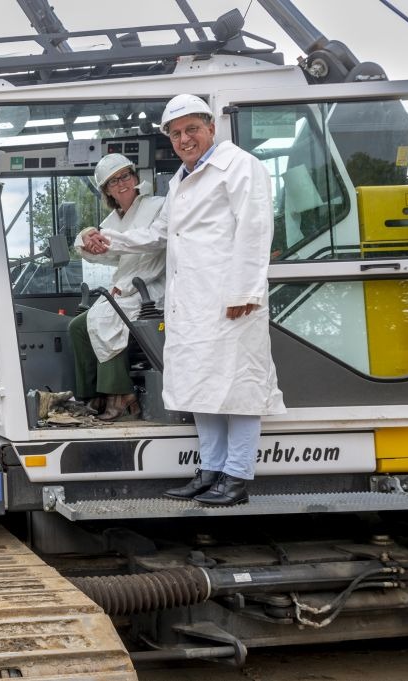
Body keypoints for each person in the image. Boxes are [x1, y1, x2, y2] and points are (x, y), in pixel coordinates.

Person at [81, 94, 285, 506]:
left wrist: (245, 291)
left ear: (211, 126)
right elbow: (160, 235)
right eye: (176, 133)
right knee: (201, 388)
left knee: (239, 389)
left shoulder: (240, 167)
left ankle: (237, 477)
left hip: (230, 299)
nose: (184, 138)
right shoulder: (181, 180)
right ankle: (210, 470)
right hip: (191, 303)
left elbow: (255, 229)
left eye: (192, 128)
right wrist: (111, 239)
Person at [68, 153, 166, 421]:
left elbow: (152, 242)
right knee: (77, 326)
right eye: (113, 181)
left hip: (151, 288)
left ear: (135, 177)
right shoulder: (113, 221)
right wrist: (86, 240)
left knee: (105, 319)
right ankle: (91, 395)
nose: (122, 183)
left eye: (125, 176)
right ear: (106, 190)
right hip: (123, 288)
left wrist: (106, 240)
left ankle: (120, 394)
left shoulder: (158, 206)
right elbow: (105, 254)